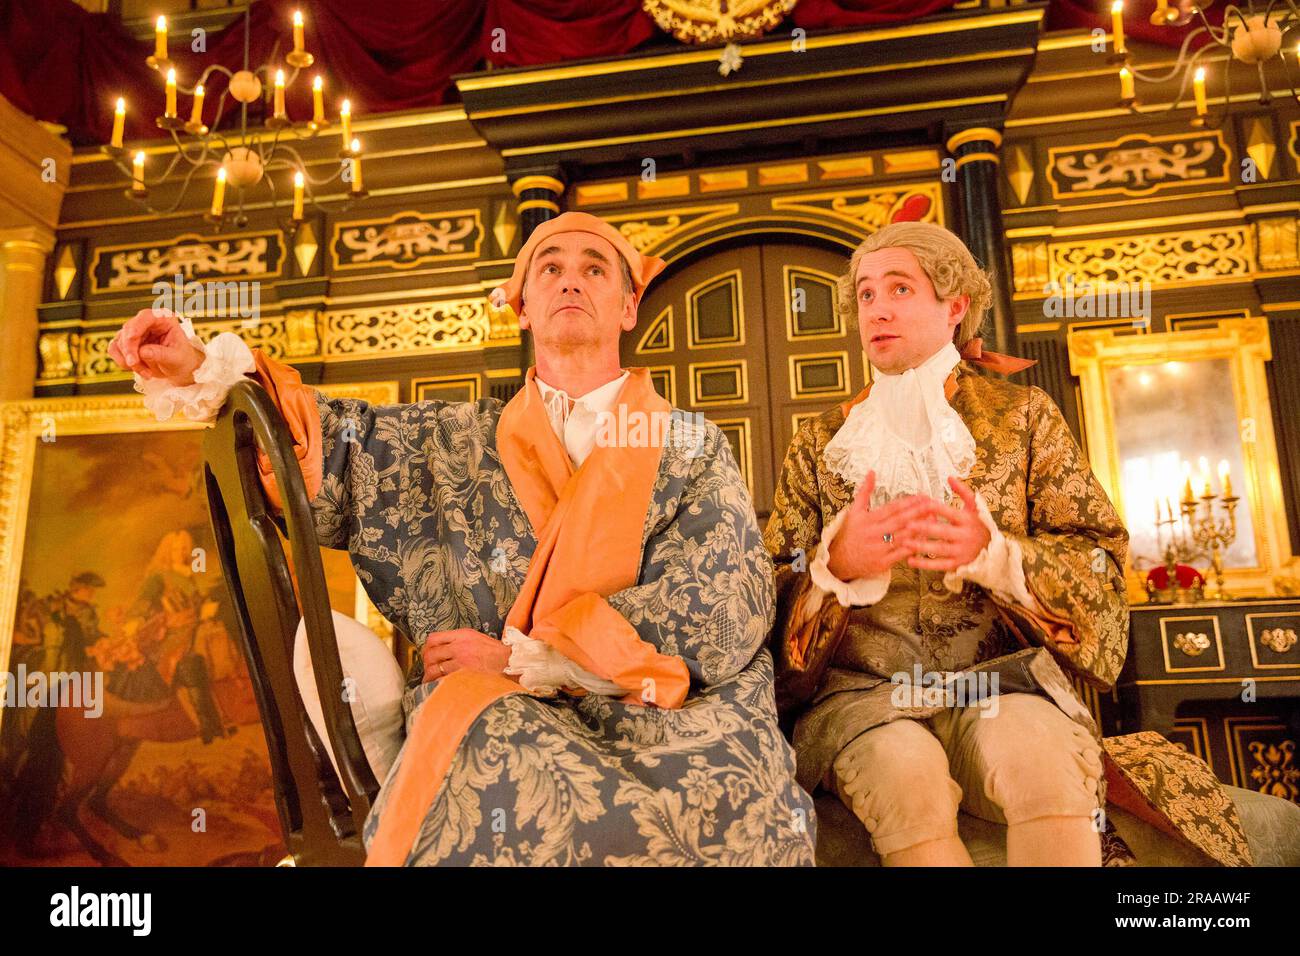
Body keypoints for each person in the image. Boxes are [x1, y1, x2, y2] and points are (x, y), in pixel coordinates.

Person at [108, 211, 816, 866]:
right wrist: (200, 365)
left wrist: (525, 657)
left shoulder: (691, 447)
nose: (572, 277)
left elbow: (724, 608)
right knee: (494, 741)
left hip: (678, 723)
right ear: (521, 305)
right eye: (550, 267)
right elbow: (322, 447)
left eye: (596, 268)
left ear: (629, 305)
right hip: (502, 713)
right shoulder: (445, 442)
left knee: (737, 799)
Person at [764, 221, 1252, 866]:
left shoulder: (1026, 415)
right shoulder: (818, 438)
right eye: (865, 294)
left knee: (1041, 767)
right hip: (864, 698)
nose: (877, 308)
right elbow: (764, 587)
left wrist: (997, 556)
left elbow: (1097, 554)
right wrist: (834, 569)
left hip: (1001, 682)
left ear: (955, 305)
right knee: (907, 784)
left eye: (900, 288)